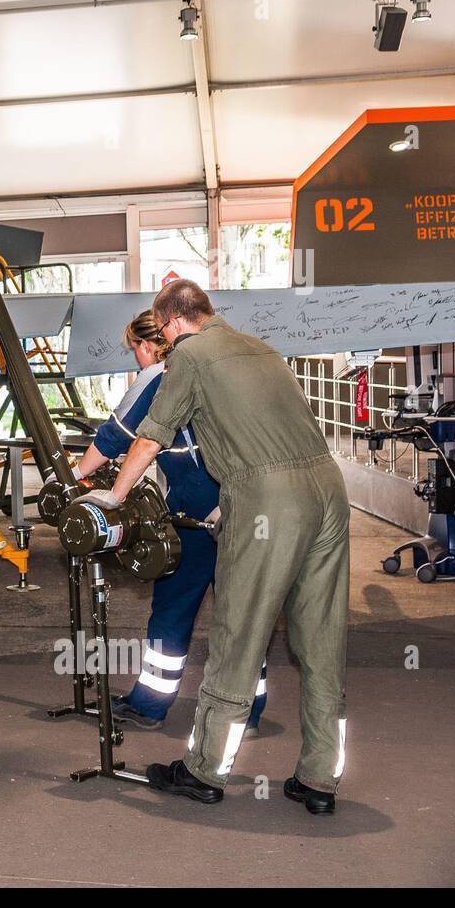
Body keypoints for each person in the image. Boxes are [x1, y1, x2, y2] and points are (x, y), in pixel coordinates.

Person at [80, 280, 349, 814]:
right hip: (328, 495)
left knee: (237, 632)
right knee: (321, 640)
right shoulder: (262, 349)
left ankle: (203, 771)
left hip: (268, 499)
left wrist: (114, 493)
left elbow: (153, 433)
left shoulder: (191, 357)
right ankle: (319, 779)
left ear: (173, 323)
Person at [73, 311, 266, 732]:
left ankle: (150, 705)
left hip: (197, 515)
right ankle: (247, 710)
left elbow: (118, 437)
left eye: (135, 351)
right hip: (247, 505)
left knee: (172, 608)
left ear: (149, 346)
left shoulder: (164, 377)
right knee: (242, 612)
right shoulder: (227, 370)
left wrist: (74, 479)